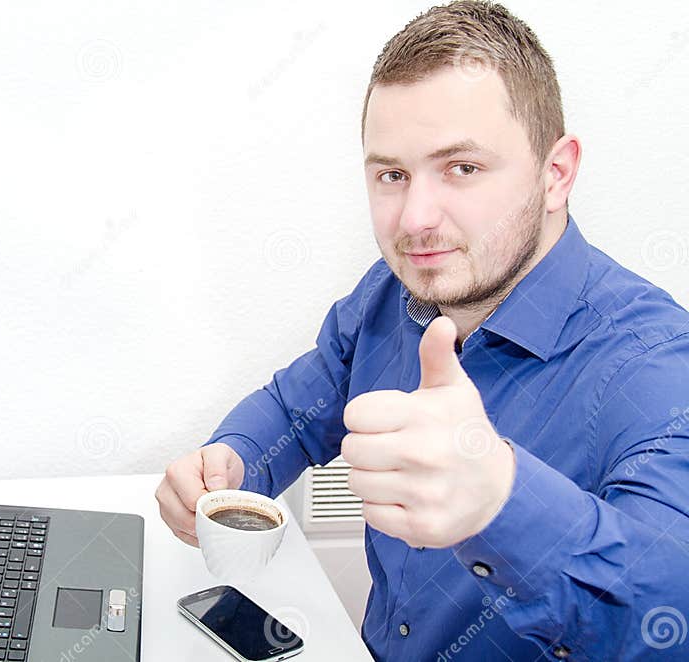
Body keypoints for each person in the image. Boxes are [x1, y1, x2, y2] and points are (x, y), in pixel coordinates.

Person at [155, 1, 689, 659]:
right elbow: (296, 407)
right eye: (392, 175)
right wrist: (229, 464)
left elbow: (670, 615)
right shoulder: (393, 292)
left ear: (556, 175)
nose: (415, 219)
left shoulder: (658, 365)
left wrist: (501, 501)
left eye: (462, 168)